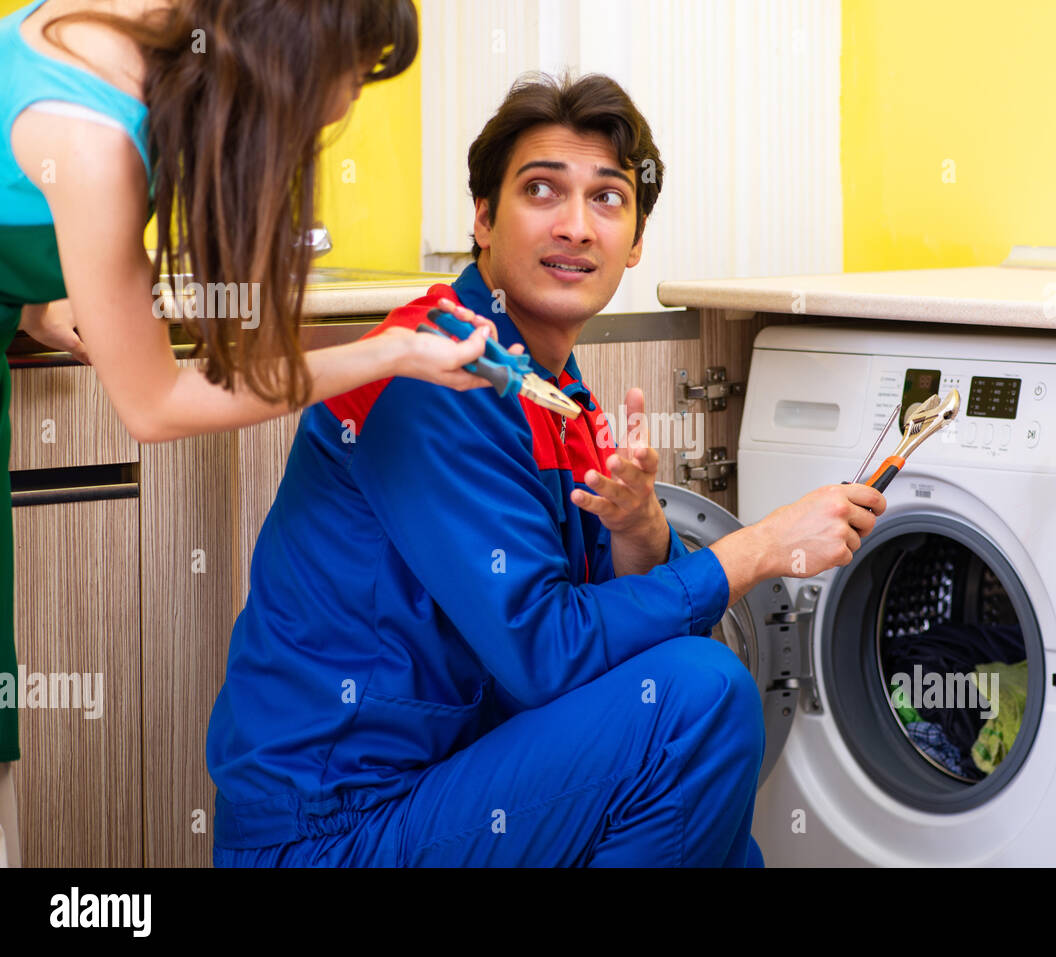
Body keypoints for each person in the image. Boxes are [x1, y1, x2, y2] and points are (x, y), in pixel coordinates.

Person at [205, 71, 887, 867]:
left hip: (442, 795)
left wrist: (641, 530)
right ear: (483, 219)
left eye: (607, 199)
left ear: (636, 242)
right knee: (697, 699)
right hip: (332, 834)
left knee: (710, 801)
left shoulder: (549, 390)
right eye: (541, 190)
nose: (575, 226)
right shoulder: (434, 370)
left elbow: (619, 641)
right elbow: (545, 653)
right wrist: (760, 548)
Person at [0, 0, 514, 868]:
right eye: (354, 71)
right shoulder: (94, 142)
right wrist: (389, 349)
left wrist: (37, 297)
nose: (348, 102)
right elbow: (155, 405)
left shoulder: (143, 27)